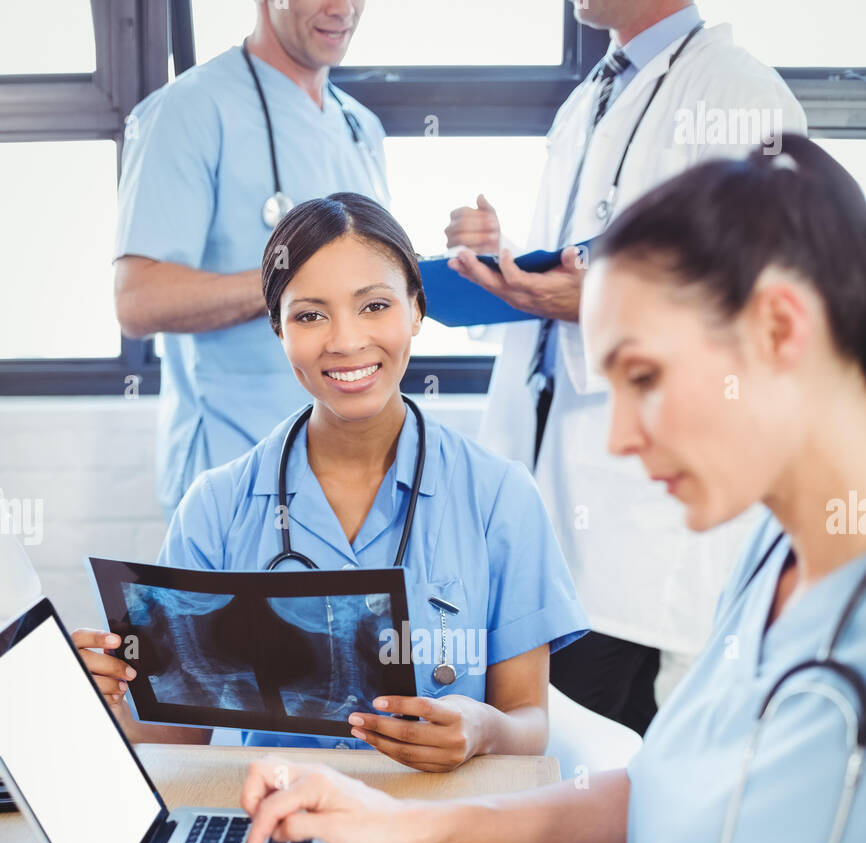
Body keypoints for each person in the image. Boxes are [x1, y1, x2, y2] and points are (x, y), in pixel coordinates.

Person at [234, 139, 866, 843]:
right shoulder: (776, 555)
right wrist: (406, 825)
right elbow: (665, 789)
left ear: (776, 329)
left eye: (637, 375)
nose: (618, 438)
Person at [75, 195, 586, 770]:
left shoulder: (500, 497)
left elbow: (529, 721)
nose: (345, 341)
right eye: (310, 315)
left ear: (417, 308)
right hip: (282, 828)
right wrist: (110, 696)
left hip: (444, 826)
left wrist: (483, 729)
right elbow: (171, 742)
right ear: (279, 329)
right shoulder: (216, 508)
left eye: (374, 305)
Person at [446, 0, 807, 735]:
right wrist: (503, 264)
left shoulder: (741, 95)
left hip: (648, 531)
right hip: (561, 506)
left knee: (613, 776)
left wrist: (603, 301)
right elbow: (578, 268)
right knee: (557, 758)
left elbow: (763, 308)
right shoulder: (589, 100)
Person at [115, 0, 389, 514]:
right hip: (233, 470)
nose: (343, 9)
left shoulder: (361, 128)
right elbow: (138, 300)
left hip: (348, 474)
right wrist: (295, 279)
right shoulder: (189, 110)